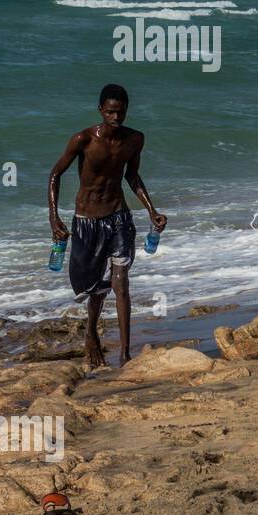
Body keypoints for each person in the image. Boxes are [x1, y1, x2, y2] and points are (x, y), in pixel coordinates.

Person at [47, 84, 166, 368]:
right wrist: (54, 217)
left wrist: (152, 211)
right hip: (87, 222)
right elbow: (54, 174)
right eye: (110, 112)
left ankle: (126, 355)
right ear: (100, 110)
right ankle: (91, 333)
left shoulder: (135, 139)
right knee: (93, 288)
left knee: (120, 282)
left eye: (120, 111)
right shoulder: (83, 139)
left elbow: (132, 177)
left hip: (119, 218)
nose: (116, 117)